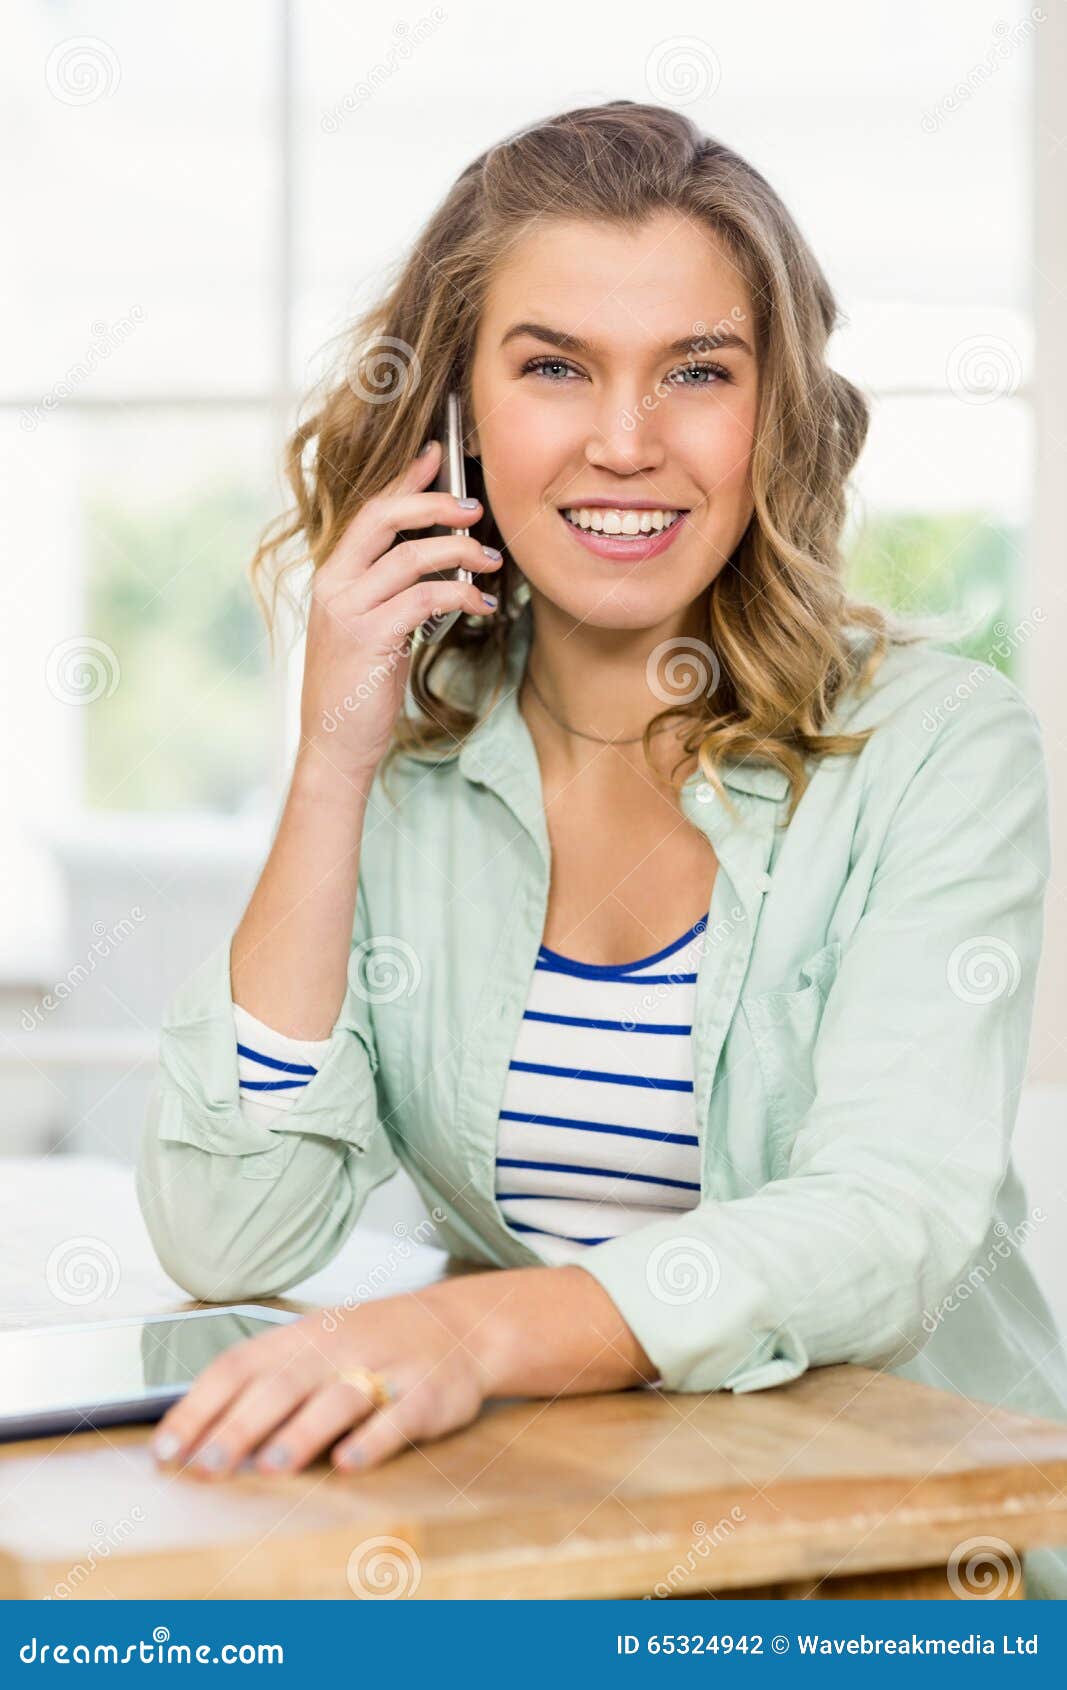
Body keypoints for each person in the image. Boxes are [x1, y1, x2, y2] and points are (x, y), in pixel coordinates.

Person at [137, 102, 1067, 1595]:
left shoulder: (942, 748)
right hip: (558, 1532)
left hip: (901, 1556)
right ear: (455, 415)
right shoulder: (410, 763)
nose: (625, 441)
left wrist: (467, 1330)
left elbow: (882, 1224)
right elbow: (234, 1226)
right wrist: (330, 764)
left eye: (698, 371)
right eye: (555, 367)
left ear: (775, 413)